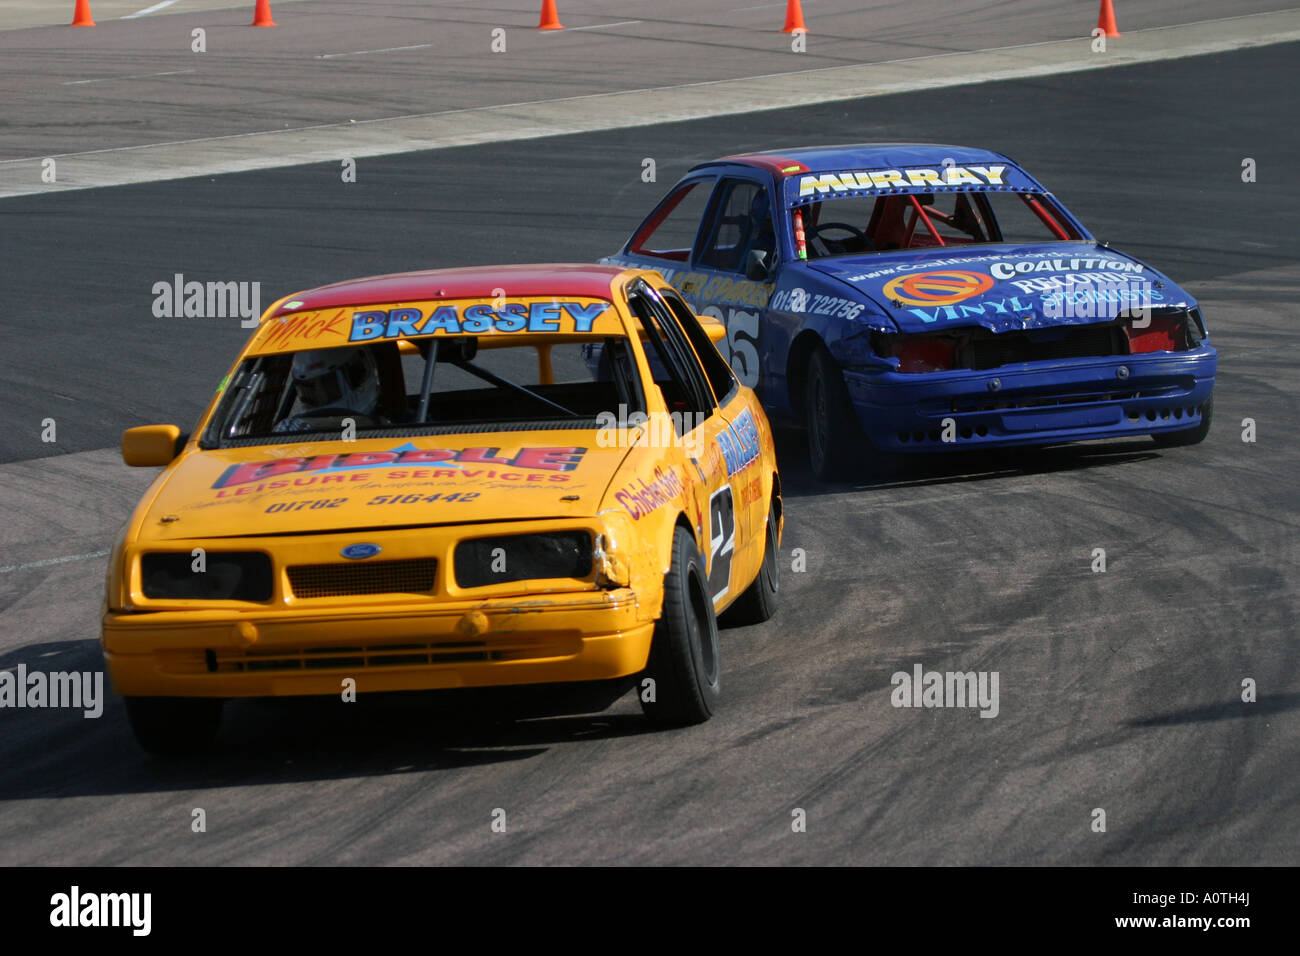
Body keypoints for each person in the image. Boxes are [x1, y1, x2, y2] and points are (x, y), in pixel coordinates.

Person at [274, 347, 383, 433]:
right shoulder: (288, 430)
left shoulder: (288, 431)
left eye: (329, 386)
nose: (320, 394)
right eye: (310, 390)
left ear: (359, 373)